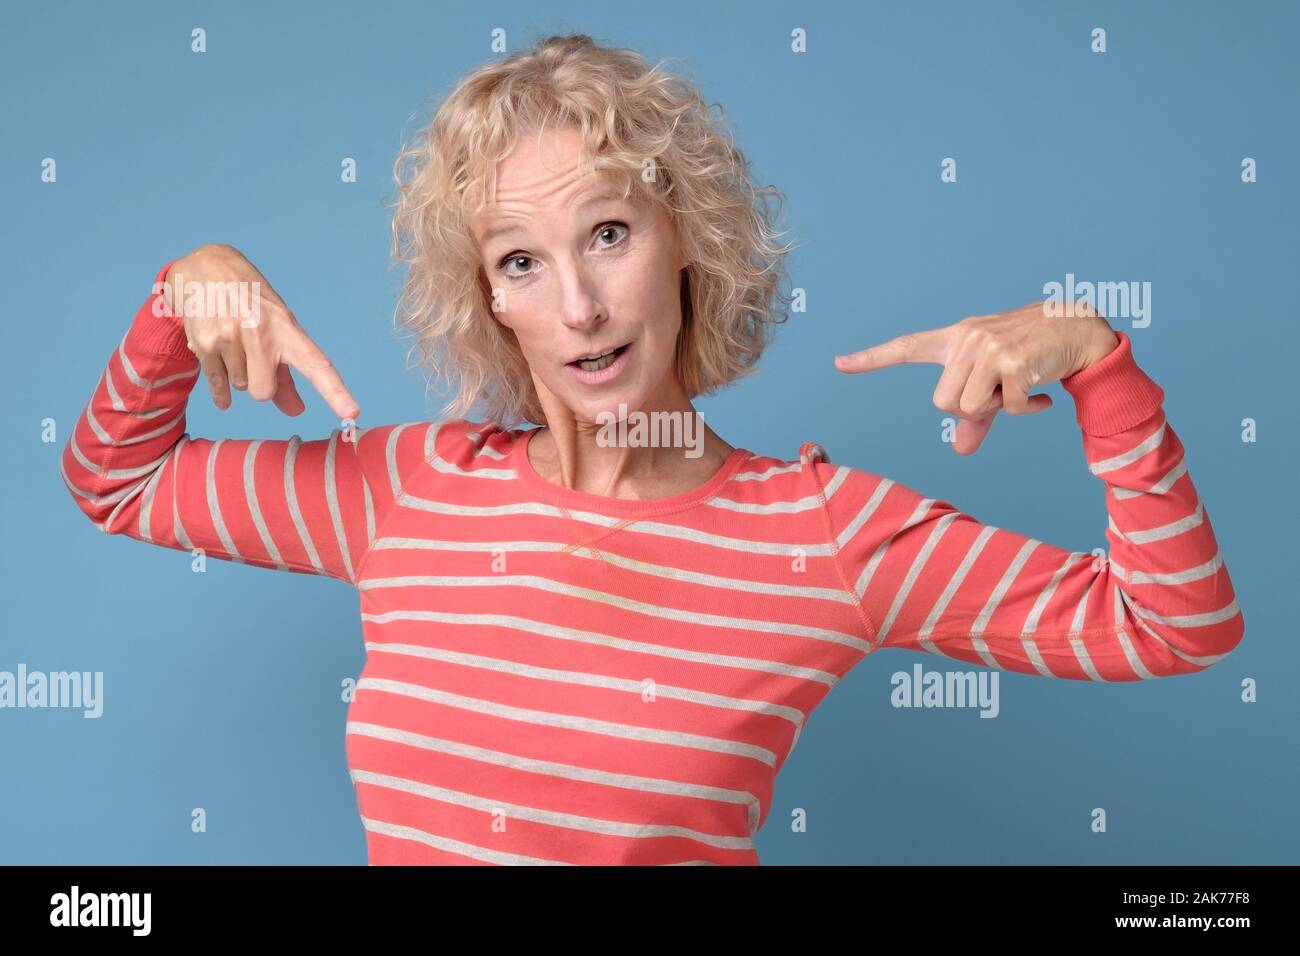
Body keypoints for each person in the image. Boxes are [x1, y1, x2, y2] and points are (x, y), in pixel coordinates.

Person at [60, 34, 1244, 865]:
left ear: (687, 242)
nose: (578, 305)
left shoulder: (819, 533)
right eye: (522, 259)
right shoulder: (410, 491)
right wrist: (184, 288)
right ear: (489, 299)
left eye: (609, 232)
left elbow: (1172, 623)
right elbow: (117, 477)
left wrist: (1098, 362)